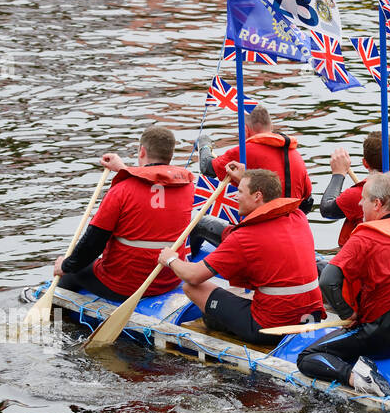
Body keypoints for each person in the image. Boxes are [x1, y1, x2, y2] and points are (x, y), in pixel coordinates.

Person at [298, 173, 390, 396]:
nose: (359, 203)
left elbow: (328, 280)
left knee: (307, 357)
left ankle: (357, 377)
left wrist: (349, 314)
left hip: (380, 337)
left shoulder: (365, 236)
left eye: (363, 199)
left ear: (377, 204)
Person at [160, 165, 324, 345]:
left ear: (257, 196)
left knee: (191, 288)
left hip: (269, 328)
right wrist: (244, 179)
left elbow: (193, 276)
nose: (235, 196)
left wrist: (170, 259)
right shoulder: (298, 216)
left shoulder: (244, 237)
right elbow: (268, 206)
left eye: (239, 191)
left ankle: (220, 322)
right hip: (311, 315)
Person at [54, 126, 196, 301]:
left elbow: (93, 243)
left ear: (142, 151)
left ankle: (57, 314)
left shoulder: (122, 190)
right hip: (169, 279)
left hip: (124, 285)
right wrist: (123, 168)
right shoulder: (188, 188)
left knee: (72, 273)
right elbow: (156, 182)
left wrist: (66, 266)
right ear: (171, 154)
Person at [199, 105, 312, 206]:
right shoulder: (295, 154)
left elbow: (207, 168)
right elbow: (308, 199)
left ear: (246, 130)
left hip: (263, 222)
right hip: (293, 221)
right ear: (271, 127)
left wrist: (204, 144)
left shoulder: (244, 151)